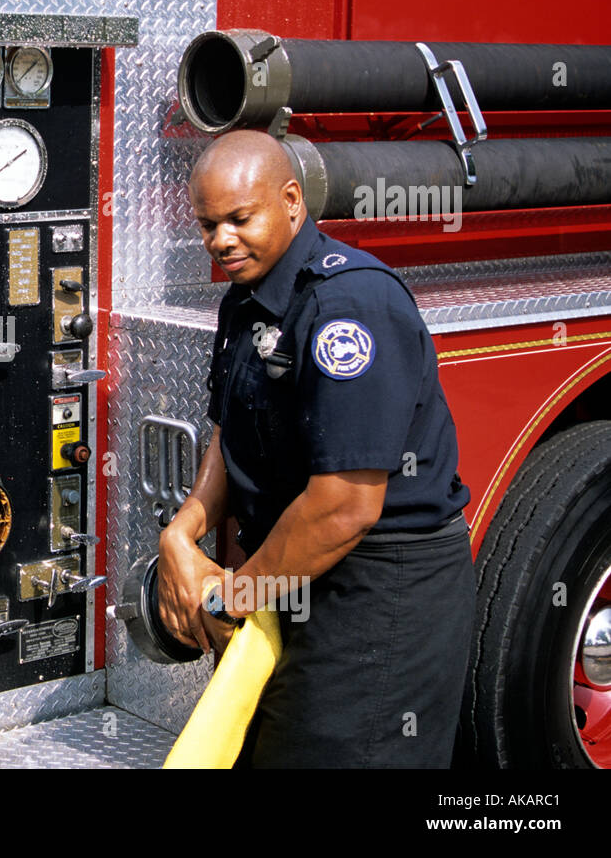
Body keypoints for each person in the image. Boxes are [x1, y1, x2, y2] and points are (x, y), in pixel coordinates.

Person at [156, 129, 474, 767]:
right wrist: (181, 532)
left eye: (240, 219)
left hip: (378, 596)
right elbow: (230, 430)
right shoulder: (245, 298)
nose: (221, 240)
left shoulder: (349, 305)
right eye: (207, 224)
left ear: (293, 202)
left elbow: (344, 507)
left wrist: (232, 596)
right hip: (292, 581)